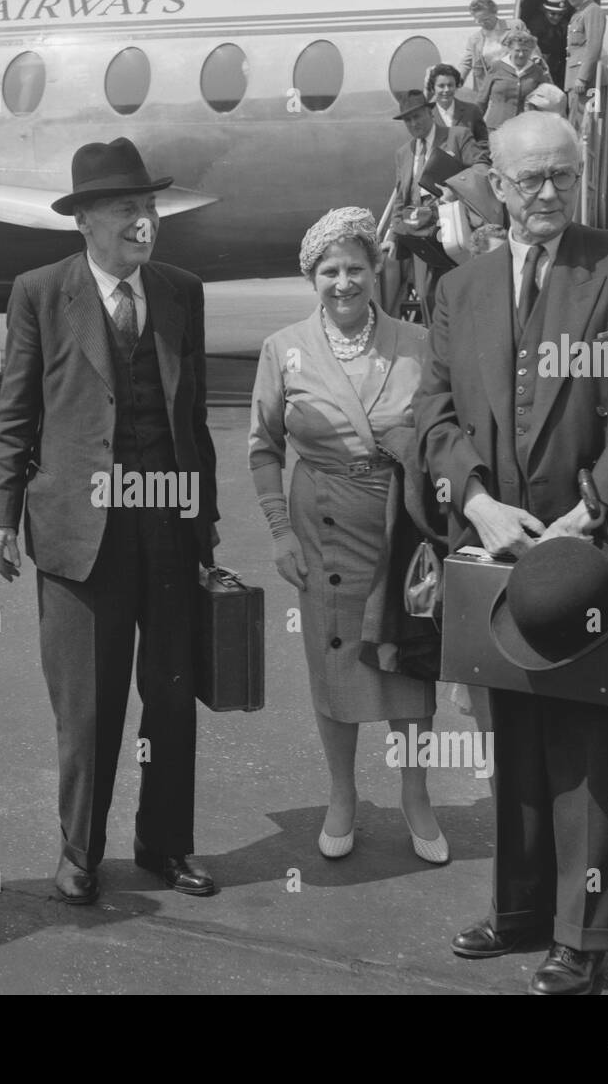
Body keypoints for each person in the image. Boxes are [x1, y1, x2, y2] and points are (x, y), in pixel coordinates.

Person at [413, 113, 608, 995]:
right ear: (493, 185)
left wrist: (594, 505)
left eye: (561, 178)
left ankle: (587, 934)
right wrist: (475, 498)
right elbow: (430, 415)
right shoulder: (461, 290)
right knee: (522, 741)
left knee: (597, 746)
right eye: (529, 179)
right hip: (499, 552)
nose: (547, 195)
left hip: (595, 550)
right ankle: (525, 907)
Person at [0, 137, 219, 904]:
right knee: (87, 706)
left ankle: (165, 845)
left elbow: (196, 421)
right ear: (84, 220)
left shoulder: (182, 291)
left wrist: (204, 528)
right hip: (80, 535)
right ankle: (79, 851)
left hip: (168, 529)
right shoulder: (41, 293)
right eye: (126, 211)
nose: (145, 223)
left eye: (150, 209)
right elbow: (15, 413)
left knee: (172, 697)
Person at [249, 208, 447, 866]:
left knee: (410, 665)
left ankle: (416, 796)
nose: (343, 283)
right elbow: (263, 447)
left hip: (404, 527)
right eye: (329, 270)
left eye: (355, 268)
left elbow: (448, 430)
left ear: (376, 269)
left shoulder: (417, 341)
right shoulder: (284, 348)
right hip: (323, 525)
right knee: (334, 666)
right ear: (313, 277)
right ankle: (342, 797)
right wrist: (280, 533)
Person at [389, 89, 489, 319]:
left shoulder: (457, 136)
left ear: (430, 112)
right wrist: (394, 236)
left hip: (452, 222)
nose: (413, 123)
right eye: (407, 119)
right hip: (419, 230)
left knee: (461, 288)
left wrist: (455, 188)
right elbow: (400, 197)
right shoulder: (404, 153)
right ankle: (437, 344)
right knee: (425, 295)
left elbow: (482, 168)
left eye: (417, 116)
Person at [478, 21, 555, 132]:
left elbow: (549, 99)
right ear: (509, 49)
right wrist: (476, 125)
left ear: (532, 51)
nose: (521, 54)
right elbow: (482, 100)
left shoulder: (537, 71)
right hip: (496, 127)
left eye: (526, 51)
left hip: (527, 128)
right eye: (517, 50)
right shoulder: (497, 67)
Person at [564, 0, 606, 129]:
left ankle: (583, 151)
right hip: (575, 80)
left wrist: (582, 77)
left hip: (583, 82)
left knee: (583, 125)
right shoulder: (579, 13)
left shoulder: (593, 10)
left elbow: (593, 46)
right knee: (575, 122)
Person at [425, 63, 489, 146]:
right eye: (441, 86)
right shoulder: (426, 115)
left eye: (450, 85)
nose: (446, 90)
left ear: (456, 86)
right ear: (433, 89)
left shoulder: (472, 111)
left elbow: (483, 142)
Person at [459, 0, 510, 94]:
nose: (482, 24)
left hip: (514, 83)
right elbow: (466, 63)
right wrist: (458, 81)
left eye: (486, 19)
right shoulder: (474, 39)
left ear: (494, 13)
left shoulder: (515, 26)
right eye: (479, 21)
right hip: (489, 88)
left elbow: (531, 50)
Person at [531, 0, 572, 89]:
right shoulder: (536, 25)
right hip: (541, 67)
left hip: (559, 67)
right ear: (545, 11)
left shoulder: (565, 25)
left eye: (560, 14)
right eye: (552, 13)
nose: (556, 17)